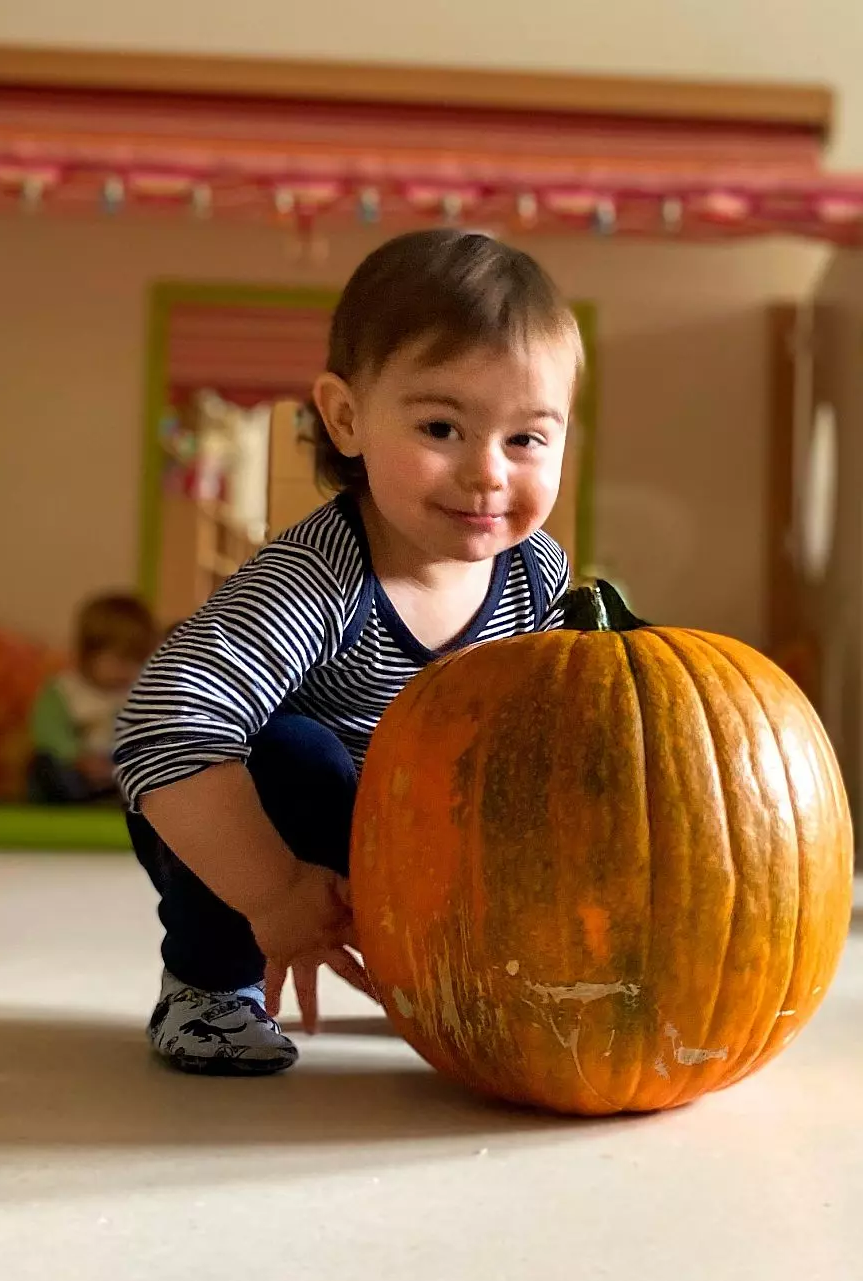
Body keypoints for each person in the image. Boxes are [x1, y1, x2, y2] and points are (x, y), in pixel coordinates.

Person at [114, 229, 582, 1076]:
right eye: (443, 425)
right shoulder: (318, 578)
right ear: (346, 416)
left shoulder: (536, 574)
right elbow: (163, 731)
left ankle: (443, 983)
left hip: (399, 829)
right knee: (296, 753)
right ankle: (210, 987)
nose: (488, 473)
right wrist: (275, 892)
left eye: (526, 440)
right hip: (241, 826)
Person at [29, 593, 158, 804]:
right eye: (119, 660)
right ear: (89, 653)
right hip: (75, 770)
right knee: (42, 765)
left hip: (118, 773)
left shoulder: (140, 693)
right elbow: (47, 730)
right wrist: (76, 757)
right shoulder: (64, 690)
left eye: (137, 661)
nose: (127, 670)